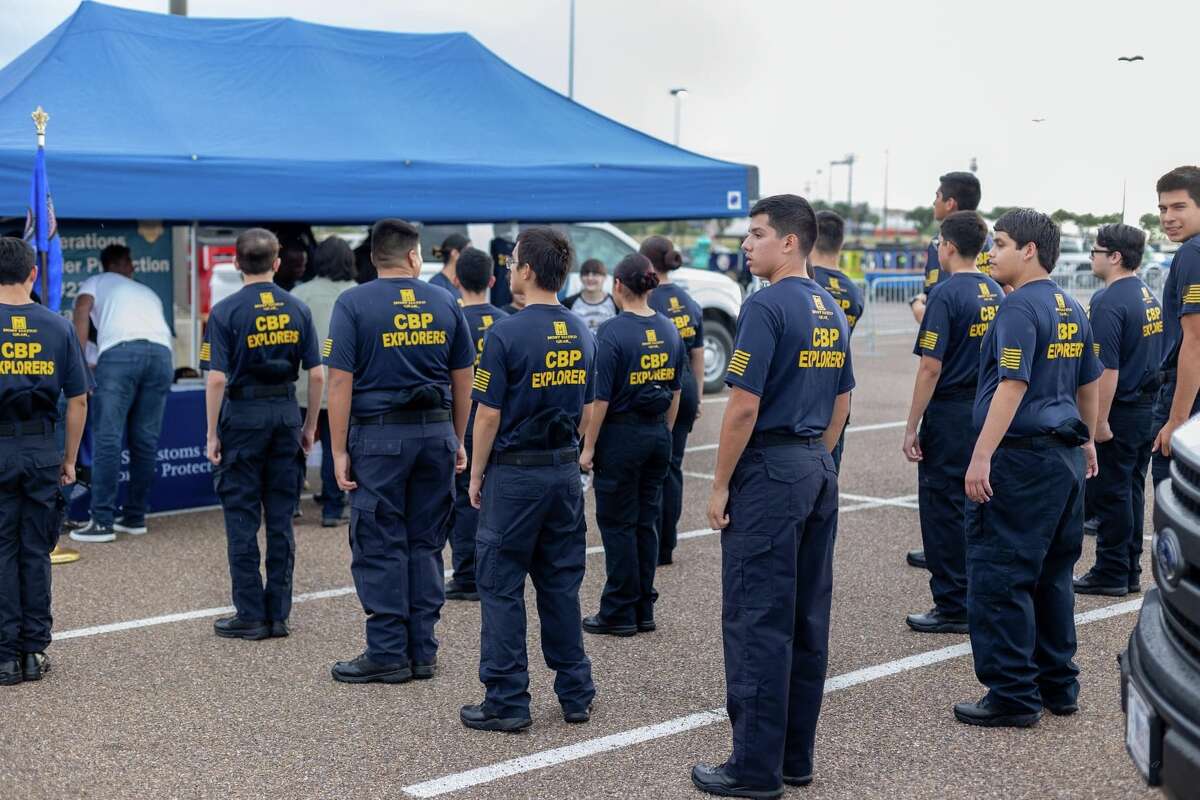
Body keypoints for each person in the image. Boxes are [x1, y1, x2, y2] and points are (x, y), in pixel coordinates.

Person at [693, 195, 852, 796]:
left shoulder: (766, 306)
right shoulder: (830, 307)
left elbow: (742, 406)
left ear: (790, 242)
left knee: (758, 618)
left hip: (770, 469)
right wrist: (817, 455)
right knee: (807, 618)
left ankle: (754, 770)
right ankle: (793, 758)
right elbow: (842, 399)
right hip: (814, 463)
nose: (745, 244)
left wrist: (719, 483)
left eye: (756, 234)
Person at [955, 209, 1101, 728]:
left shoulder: (1017, 307)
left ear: (1030, 250)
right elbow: (1089, 381)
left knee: (1001, 576)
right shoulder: (1071, 304)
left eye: (1000, 243)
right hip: (1061, 457)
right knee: (1053, 575)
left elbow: (1012, 384)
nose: (992, 252)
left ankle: (1013, 694)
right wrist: (1088, 440)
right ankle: (1058, 685)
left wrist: (981, 454)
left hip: (1023, 459)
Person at [325, 218, 474, 684]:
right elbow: (464, 376)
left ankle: (388, 651)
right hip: (435, 435)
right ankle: (422, 650)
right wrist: (457, 437)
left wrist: (337, 450)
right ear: (414, 256)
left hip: (379, 438)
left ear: (373, 257)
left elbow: (339, 381)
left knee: (379, 540)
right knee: (426, 542)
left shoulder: (352, 302)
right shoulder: (445, 300)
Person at [463, 227, 596, 732]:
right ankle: (575, 692)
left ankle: (507, 699)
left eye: (514, 260)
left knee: (499, 586)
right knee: (561, 583)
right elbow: (587, 408)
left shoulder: (505, 333)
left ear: (527, 271)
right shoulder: (582, 330)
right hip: (562, 471)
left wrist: (476, 473)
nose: (508, 267)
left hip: (515, 476)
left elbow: (488, 416)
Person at [204, 229, 322, 641]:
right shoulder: (298, 308)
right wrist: (308, 427)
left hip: (244, 416)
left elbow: (216, 378)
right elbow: (318, 373)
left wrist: (211, 433)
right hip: (285, 413)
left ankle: (250, 613)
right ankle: (279, 614)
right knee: (280, 519)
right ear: (276, 263)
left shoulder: (224, 311)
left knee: (241, 516)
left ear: (236, 263)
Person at [901, 211, 1003, 634]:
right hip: (988, 407)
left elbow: (930, 367)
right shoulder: (995, 289)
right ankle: (975, 595)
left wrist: (911, 425)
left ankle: (951, 603)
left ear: (947, 246)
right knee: (977, 506)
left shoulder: (945, 293)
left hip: (951, 411)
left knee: (942, 507)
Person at [579, 254, 683, 636]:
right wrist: (665, 433)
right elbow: (676, 391)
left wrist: (588, 448)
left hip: (622, 437)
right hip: (656, 433)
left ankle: (619, 609)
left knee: (618, 524)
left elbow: (600, 400)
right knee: (645, 521)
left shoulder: (612, 332)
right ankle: (643, 606)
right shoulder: (669, 329)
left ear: (618, 285)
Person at [0, 238, 87, 686]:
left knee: (2, 550)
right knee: (36, 550)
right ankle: (33, 651)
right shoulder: (57, 326)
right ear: (33, 274)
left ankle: (4, 657)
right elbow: (78, 400)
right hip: (40, 451)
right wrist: (68, 458)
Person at [1071, 224, 1161, 597]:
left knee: (1112, 493)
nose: (1091, 256)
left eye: (1096, 250)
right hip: (1144, 406)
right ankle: (1128, 568)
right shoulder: (1145, 293)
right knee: (1132, 488)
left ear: (1115, 257)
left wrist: (1098, 422)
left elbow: (1107, 370)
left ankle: (1111, 570)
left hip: (1121, 410)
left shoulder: (1110, 300)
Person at [69, 244, 173, 543]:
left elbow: (81, 310)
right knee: (145, 440)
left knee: (108, 437)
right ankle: (135, 516)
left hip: (121, 355)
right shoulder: (146, 292)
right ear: (122, 263)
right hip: (162, 356)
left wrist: (78, 366)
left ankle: (102, 521)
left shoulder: (95, 282)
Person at [444, 246, 509, 602]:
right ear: (493, 280)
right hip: (499, 418)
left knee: (464, 499)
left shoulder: (452, 319)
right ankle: (492, 567)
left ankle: (467, 572)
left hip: (464, 418)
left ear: (455, 280)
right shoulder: (506, 320)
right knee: (493, 495)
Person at [643, 235, 705, 567]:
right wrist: (696, 396)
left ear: (647, 265)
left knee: (652, 471)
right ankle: (668, 543)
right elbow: (698, 354)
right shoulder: (687, 300)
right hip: (686, 384)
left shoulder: (648, 299)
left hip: (658, 389)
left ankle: (652, 542)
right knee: (673, 467)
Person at [292, 237, 357, 527]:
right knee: (336, 446)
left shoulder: (299, 294)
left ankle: (291, 503)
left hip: (303, 383)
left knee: (296, 446)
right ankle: (333, 508)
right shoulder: (359, 294)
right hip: (344, 385)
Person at [1151, 166, 1200, 484]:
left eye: (1179, 207)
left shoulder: (1192, 253)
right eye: (1163, 208)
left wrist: (1177, 421)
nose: (1168, 217)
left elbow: (1195, 341)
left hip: (1188, 402)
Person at [810, 211, 865, 472]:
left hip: (803, 395)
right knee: (827, 477)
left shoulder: (807, 283)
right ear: (840, 243)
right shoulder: (854, 292)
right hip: (837, 393)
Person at [909, 171, 985, 325]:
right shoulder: (993, 244)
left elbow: (935, 317)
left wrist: (916, 305)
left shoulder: (941, 245)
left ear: (950, 203)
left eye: (937, 196)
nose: (934, 202)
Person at [564, 259, 618, 331]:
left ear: (605, 277)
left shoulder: (615, 303)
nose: (590, 278)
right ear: (580, 277)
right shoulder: (568, 304)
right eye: (586, 274)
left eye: (595, 274)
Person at [429, 233, 468, 303]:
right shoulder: (437, 284)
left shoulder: (464, 282)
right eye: (468, 251)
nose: (471, 256)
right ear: (455, 253)